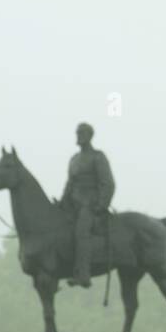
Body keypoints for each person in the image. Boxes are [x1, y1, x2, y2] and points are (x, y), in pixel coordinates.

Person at [61, 122, 115, 287]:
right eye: (77, 133)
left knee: (81, 233)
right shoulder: (74, 159)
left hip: (90, 205)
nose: (78, 136)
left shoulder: (98, 157)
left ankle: (83, 275)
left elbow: (108, 183)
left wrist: (101, 205)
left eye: (81, 133)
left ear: (89, 136)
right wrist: (62, 202)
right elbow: (69, 184)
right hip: (73, 204)